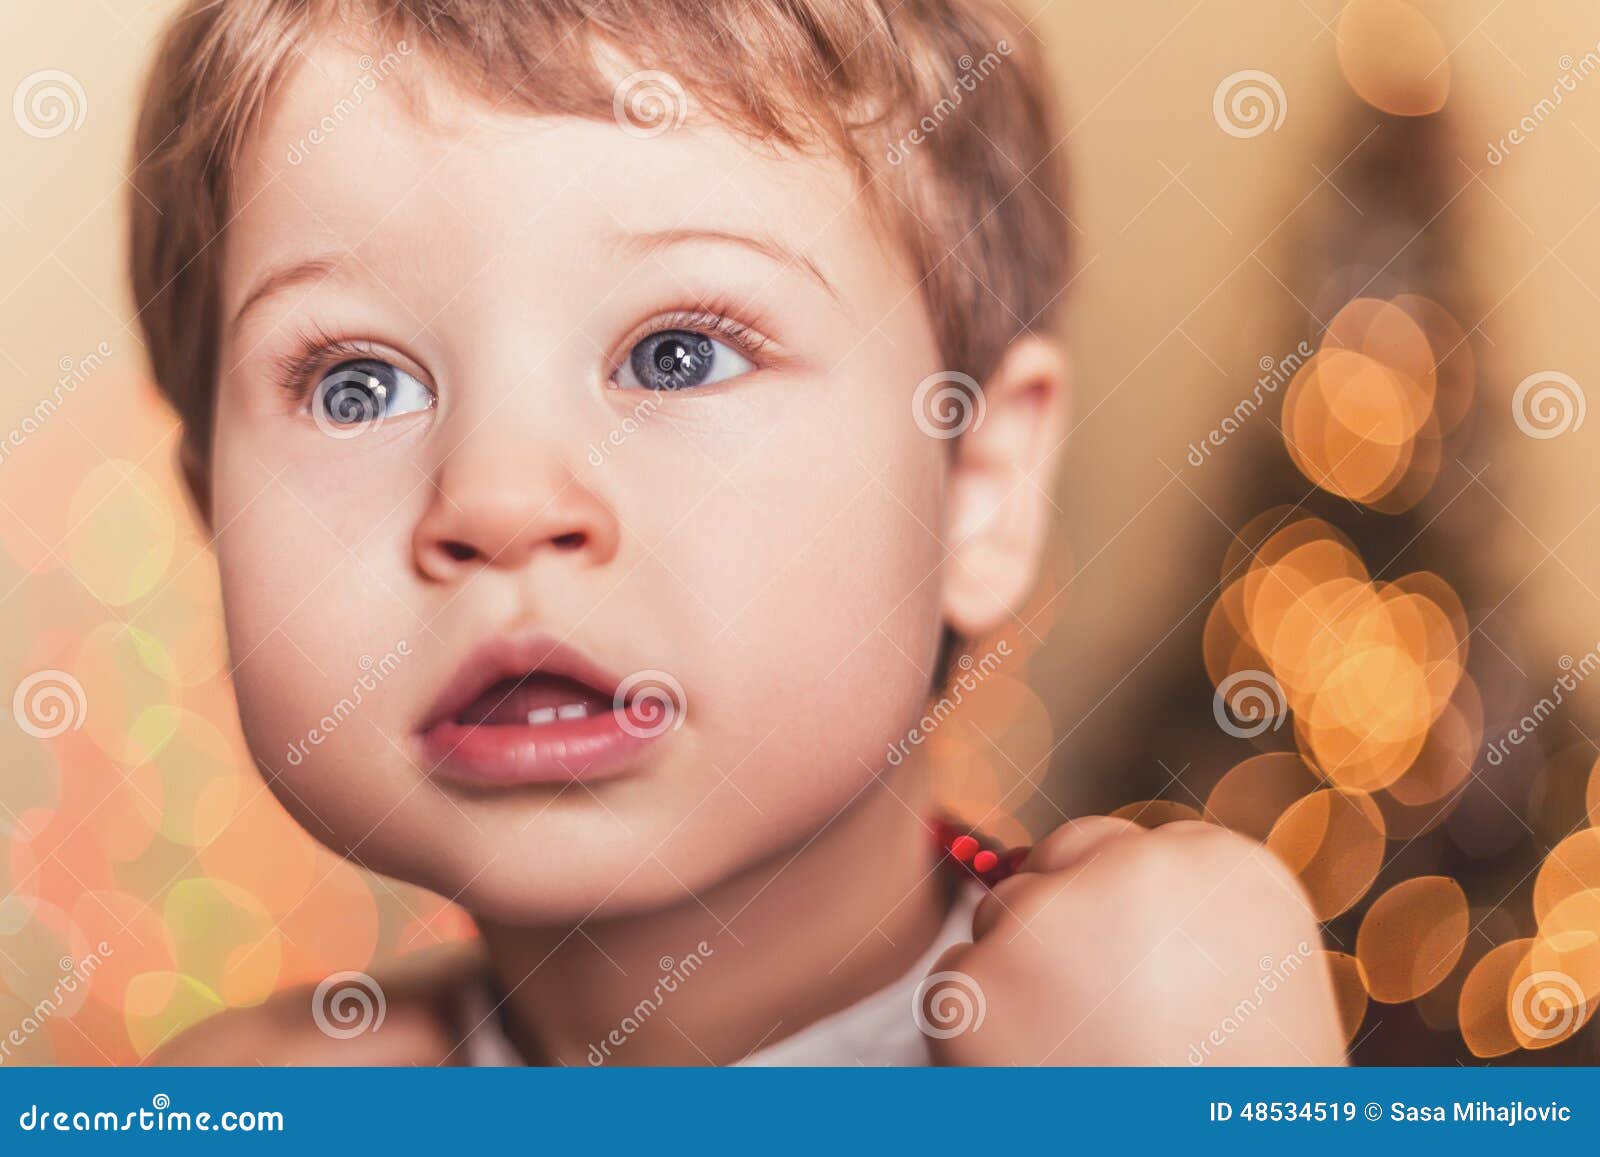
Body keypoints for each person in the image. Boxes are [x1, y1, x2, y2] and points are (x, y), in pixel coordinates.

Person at [130, 0, 1341, 1066]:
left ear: (980, 477)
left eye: (677, 355)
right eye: (357, 386)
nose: (496, 501)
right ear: (211, 510)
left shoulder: (1154, 1048)